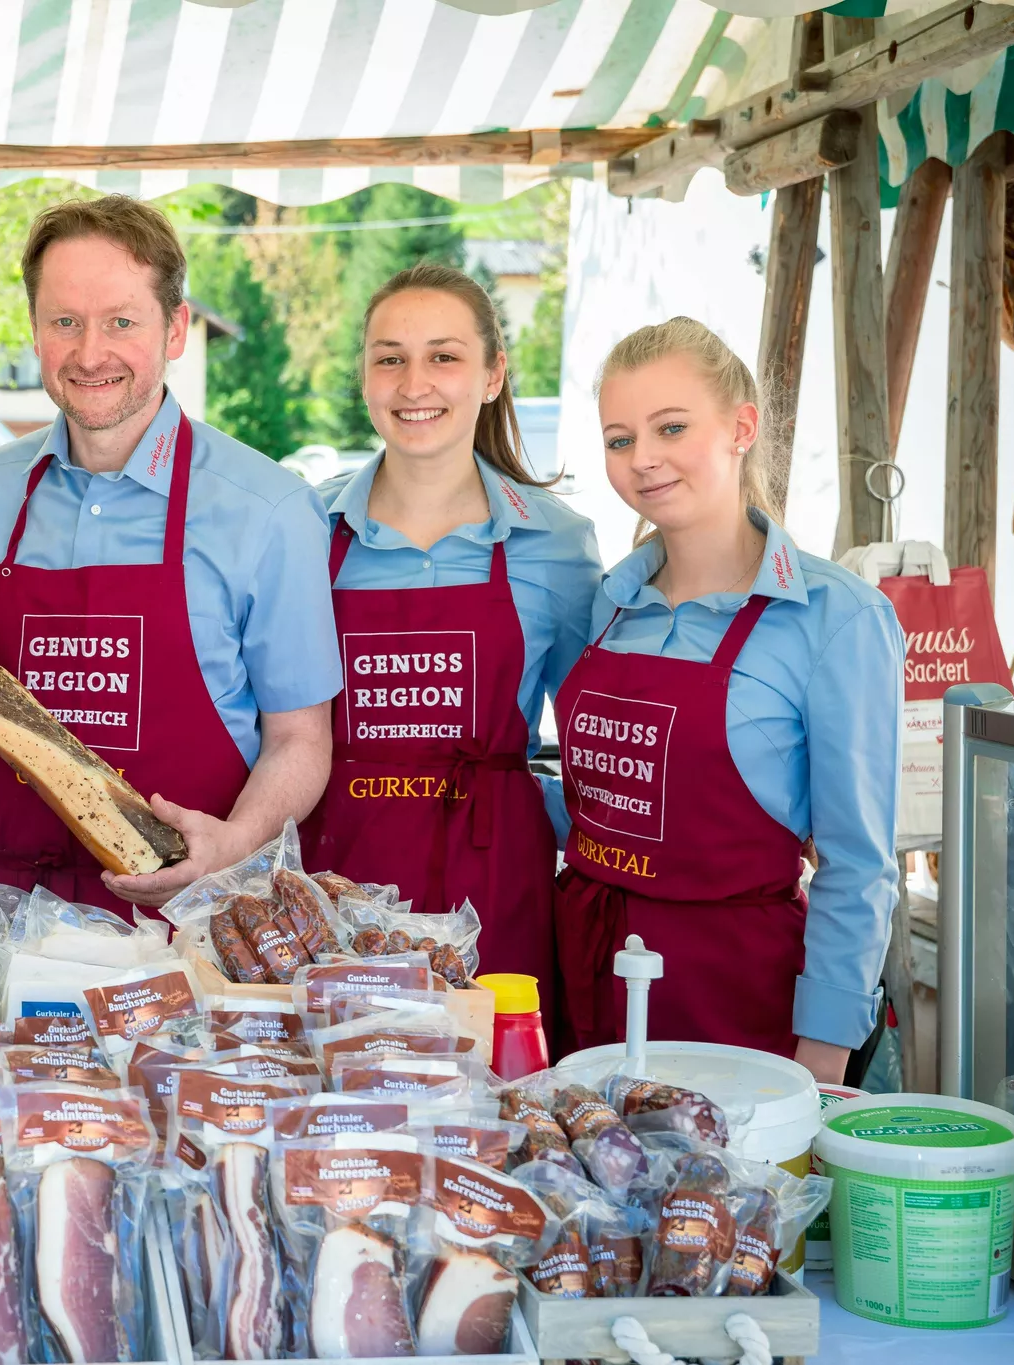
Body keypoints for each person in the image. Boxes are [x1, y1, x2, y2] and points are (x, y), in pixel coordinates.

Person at [0, 196, 340, 928]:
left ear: (175, 328)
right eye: (65, 322)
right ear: (34, 329)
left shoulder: (270, 510)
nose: (90, 354)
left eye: (122, 321)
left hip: (182, 924)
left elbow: (301, 740)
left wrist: (234, 844)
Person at [554, 318, 903, 1082]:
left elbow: (858, 864)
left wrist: (823, 1057)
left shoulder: (836, 617)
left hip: (736, 998)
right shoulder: (609, 603)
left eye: (671, 427)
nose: (643, 458)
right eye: (619, 439)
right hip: (588, 978)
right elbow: (609, 803)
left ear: (741, 428)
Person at [304, 263, 601, 1022]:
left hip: (496, 879)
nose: (415, 384)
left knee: (500, 1080)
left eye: (444, 356)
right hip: (338, 884)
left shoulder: (558, 544)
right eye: (390, 358)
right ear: (365, 377)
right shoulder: (305, 531)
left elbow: (592, 737)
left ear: (493, 375)